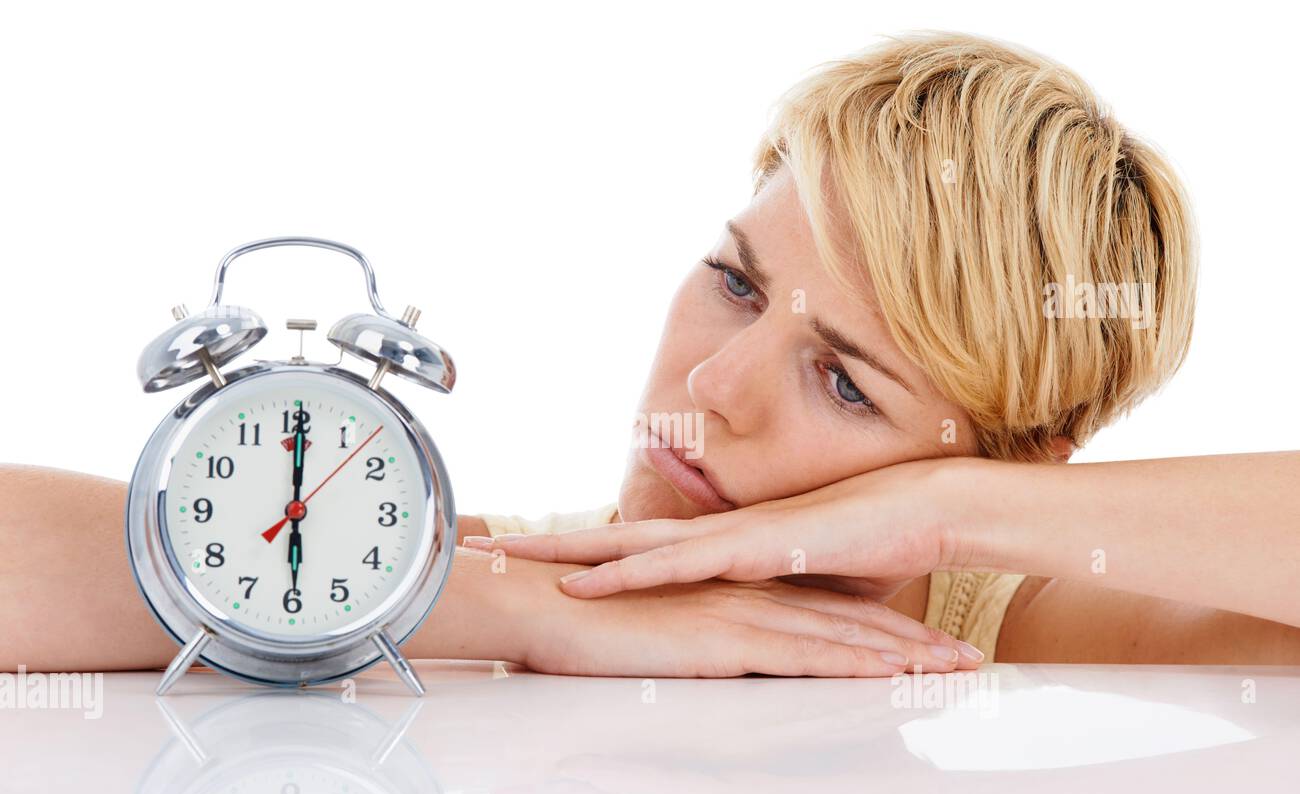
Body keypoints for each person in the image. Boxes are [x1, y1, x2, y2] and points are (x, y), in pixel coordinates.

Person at [3, 32, 1296, 679]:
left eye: (845, 379)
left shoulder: (1025, 632)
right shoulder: (517, 572)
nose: (712, 389)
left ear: (1023, 468)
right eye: (737, 283)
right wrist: (485, 602)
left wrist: (948, 516)